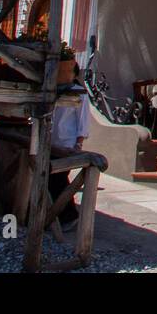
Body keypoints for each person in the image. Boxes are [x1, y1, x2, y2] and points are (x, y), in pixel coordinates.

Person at [49, 94, 91, 231]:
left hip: (67, 143)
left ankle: (69, 215)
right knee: (51, 179)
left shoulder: (80, 95)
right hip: (52, 141)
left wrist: (78, 144)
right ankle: (56, 215)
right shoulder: (55, 90)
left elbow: (83, 121)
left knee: (58, 179)